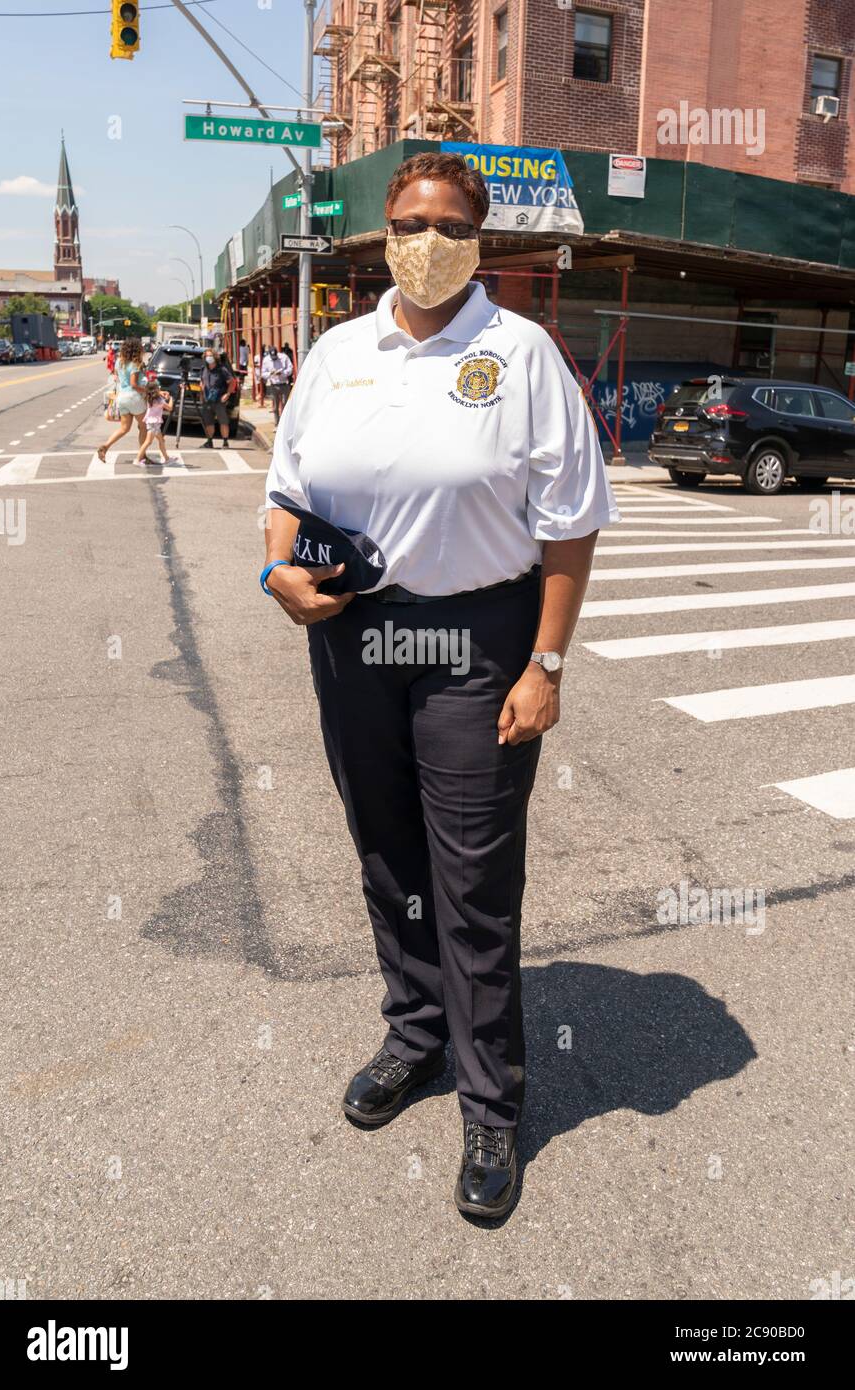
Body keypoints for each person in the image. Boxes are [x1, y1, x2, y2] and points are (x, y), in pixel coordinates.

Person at [262, 151, 620, 1219]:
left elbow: (570, 523)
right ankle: (414, 1033)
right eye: (411, 222)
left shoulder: (520, 355)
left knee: (471, 877)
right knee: (385, 849)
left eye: (451, 227)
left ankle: (492, 1102)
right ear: (382, 234)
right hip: (357, 638)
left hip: (476, 641)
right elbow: (286, 488)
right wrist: (279, 569)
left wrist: (544, 664)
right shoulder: (336, 351)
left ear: (478, 241)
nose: (428, 243)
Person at [97, 337, 147, 462]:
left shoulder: (119, 362)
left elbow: (116, 377)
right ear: (136, 350)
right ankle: (142, 456)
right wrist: (147, 390)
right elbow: (134, 384)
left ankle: (105, 446)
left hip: (122, 398)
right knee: (144, 426)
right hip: (133, 397)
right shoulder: (135, 364)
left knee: (124, 428)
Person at [199, 346, 234, 449]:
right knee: (209, 422)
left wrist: (227, 394)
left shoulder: (222, 369)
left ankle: (225, 442)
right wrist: (201, 394)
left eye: (210, 356)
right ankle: (209, 441)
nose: (208, 358)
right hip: (207, 400)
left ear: (215, 357)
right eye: (206, 356)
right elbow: (202, 382)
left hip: (219, 400)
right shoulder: (203, 369)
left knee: (223, 421)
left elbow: (231, 382)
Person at [135, 379, 173, 466]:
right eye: (158, 388)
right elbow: (170, 408)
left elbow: (154, 392)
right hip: (154, 423)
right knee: (148, 442)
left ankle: (167, 458)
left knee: (161, 440)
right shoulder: (160, 400)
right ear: (156, 390)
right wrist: (171, 398)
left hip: (153, 423)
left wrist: (161, 393)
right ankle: (137, 459)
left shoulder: (149, 398)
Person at [261, 345, 292, 422]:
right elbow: (263, 373)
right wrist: (270, 374)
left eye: (275, 356)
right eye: (272, 357)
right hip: (274, 385)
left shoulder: (284, 357)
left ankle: (284, 422)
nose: (274, 358)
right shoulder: (266, 360)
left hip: (284, 384)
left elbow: (290, 368)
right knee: (275, 406)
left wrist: (282, 373)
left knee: (286, 405)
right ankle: (277, 423)